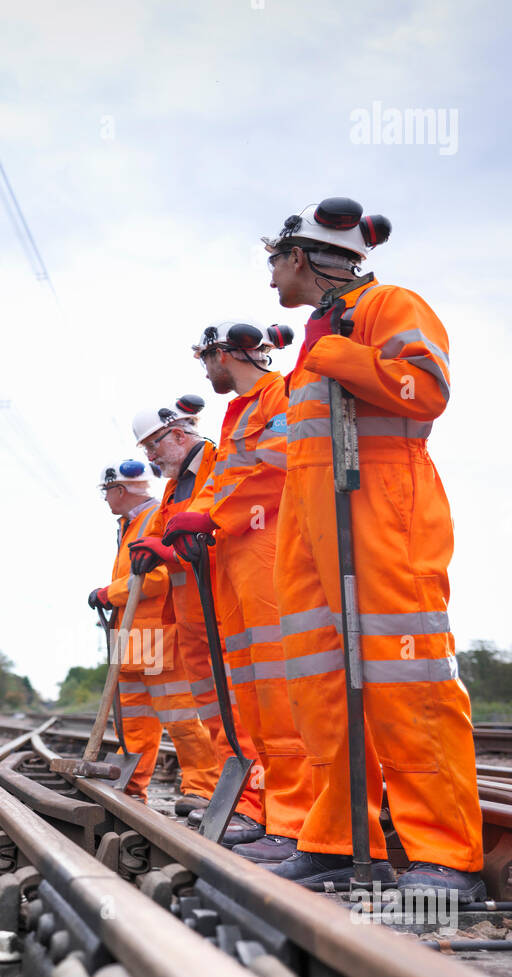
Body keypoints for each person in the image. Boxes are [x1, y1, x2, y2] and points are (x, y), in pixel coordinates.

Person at [261, 197, 484, 898]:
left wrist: (340, 353)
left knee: (405, 678)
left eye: (274, 261)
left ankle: (445, 855)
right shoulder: (312, 344)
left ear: (299, 256)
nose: (270, 279)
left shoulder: (387, 304)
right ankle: (336, 839)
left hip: (382, 511)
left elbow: (427, 388)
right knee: (321, 687)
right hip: (311, 522)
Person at [159, 321, 316, 864]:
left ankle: (292, 821)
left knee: (280, 694)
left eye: (207, 358)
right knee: (251, 695)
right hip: (236, 561)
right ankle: (269, 812)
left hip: (267, 554)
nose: (205, 370)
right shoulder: (239, 413)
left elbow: (276, 469)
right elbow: (231, 482)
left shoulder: (277, 396)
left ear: (227, 354)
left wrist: (211, 515)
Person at [129, 398, 267, 845]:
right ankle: (234, 797)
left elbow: (224, 520)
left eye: (154, 445)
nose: (150, 457)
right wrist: (164, 550)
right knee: (214, 711)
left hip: (219, 602)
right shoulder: (173, 486)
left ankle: (254, 802)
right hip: (190, 611)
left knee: (238, 707)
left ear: (179, 434)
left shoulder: (213, 461)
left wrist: (173, 549)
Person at [89, 462, 218, 801]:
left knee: (181, 718)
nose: (105, 499)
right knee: (131, 723)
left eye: (107, 492)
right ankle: (130, 788)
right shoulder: (128, 525)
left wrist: (108, 594)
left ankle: (203, 789)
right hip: (128, 637)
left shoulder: (154, 518)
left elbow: (158, 576)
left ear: (120, 490)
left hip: (154, 634)